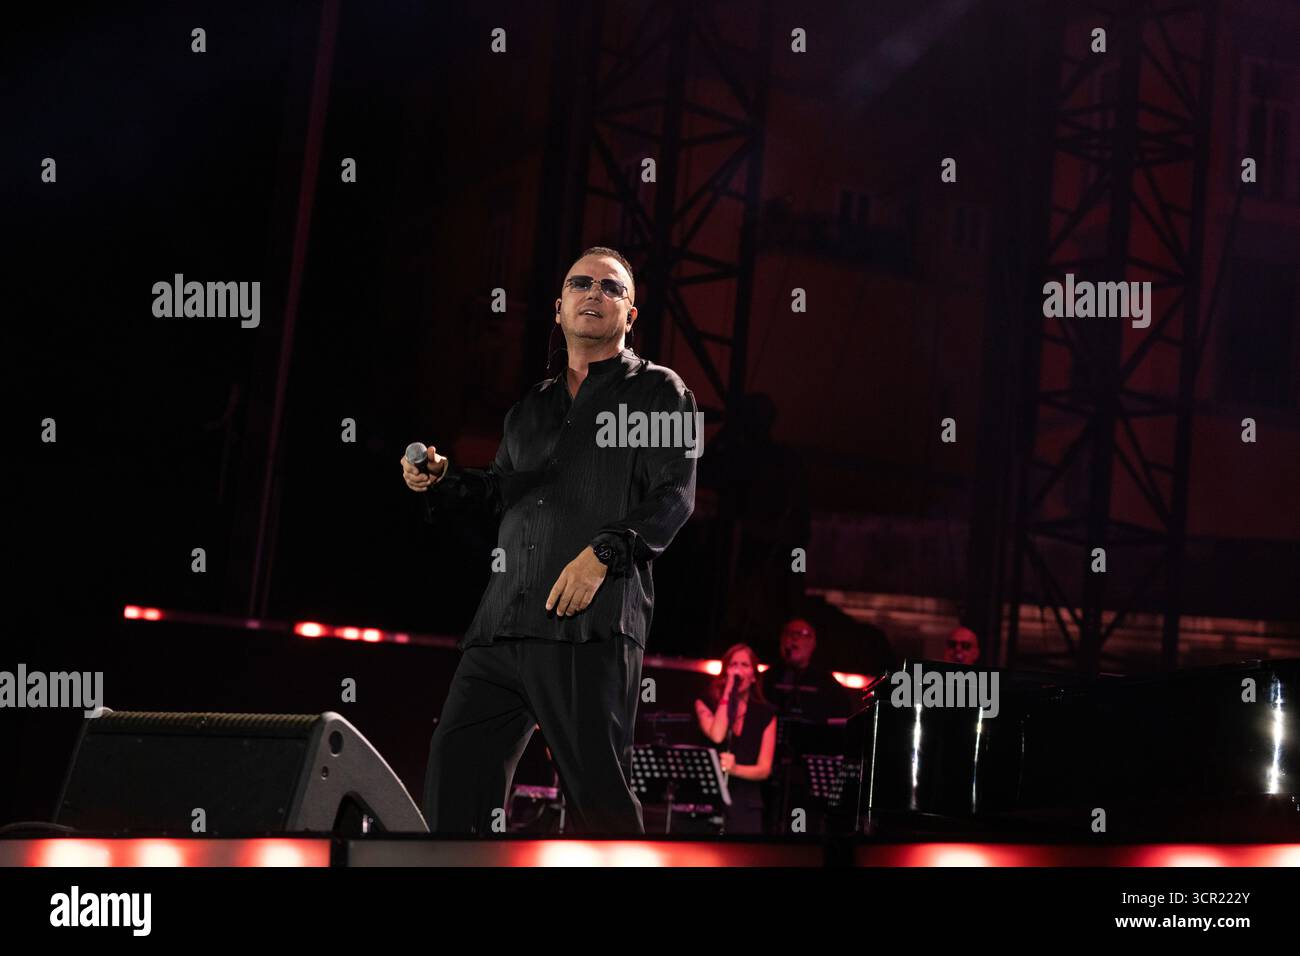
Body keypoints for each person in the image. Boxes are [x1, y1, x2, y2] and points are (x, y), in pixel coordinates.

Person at [403, 246, 698, 835]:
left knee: (600, 803)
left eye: (610, 288)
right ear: (558, 308)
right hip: (501, 624)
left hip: (587, 626)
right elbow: (499, 493)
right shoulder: (528, 410)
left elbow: (674, 495)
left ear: (631, 313)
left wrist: (604, 553)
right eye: (580, 284)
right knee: (456, 780)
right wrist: (443, 480)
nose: (593, 293)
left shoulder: (660, 392)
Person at [694, 644, 776, 835]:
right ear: (725, 671)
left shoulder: (766, 714)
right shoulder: (705, 702)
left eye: (745, 665)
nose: (738, 669)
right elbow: (717, 734)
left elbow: (764, 770)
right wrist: (729, 689)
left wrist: (735, 768)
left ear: (754, 675)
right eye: (734, 664)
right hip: (709, 802)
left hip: (746, 805)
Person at [764, 618, 853, 722]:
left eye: (802, 633)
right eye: (789, 633)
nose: (794, 638)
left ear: (813, 643)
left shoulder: (826, 683)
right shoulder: (766, 679)